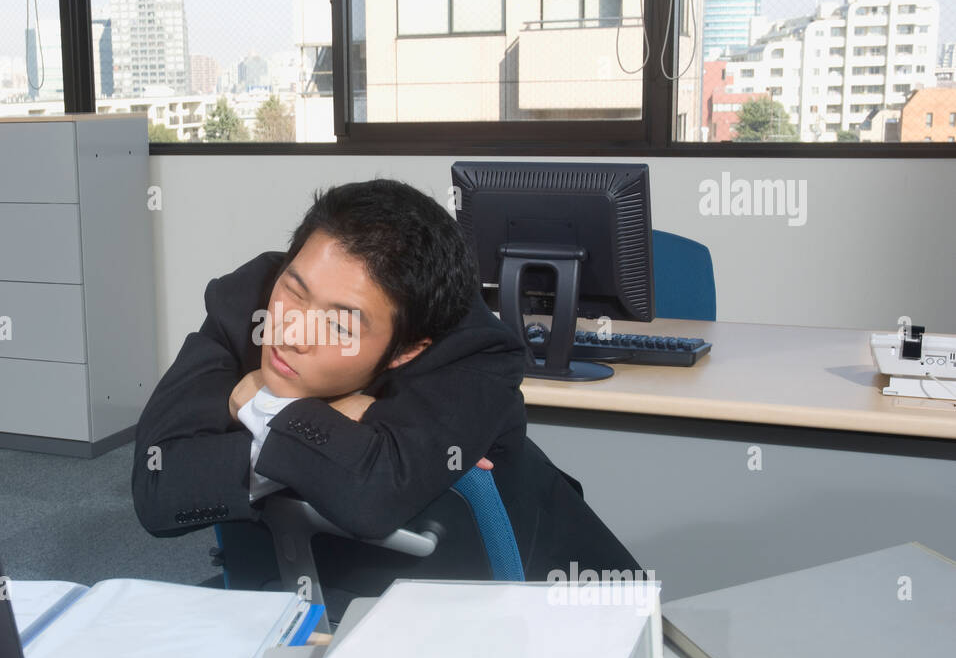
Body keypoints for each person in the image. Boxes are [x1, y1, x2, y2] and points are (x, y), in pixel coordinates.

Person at [131, 178, 641, 579]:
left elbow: (370, 495)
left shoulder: (473, 357)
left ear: (405, 351)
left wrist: (260, 406)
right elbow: (159, 488)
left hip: (539, 606)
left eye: (339, 323)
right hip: (323, 602)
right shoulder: (247, 303)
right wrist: (333, 431)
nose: (291, 331)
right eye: (294, 290)